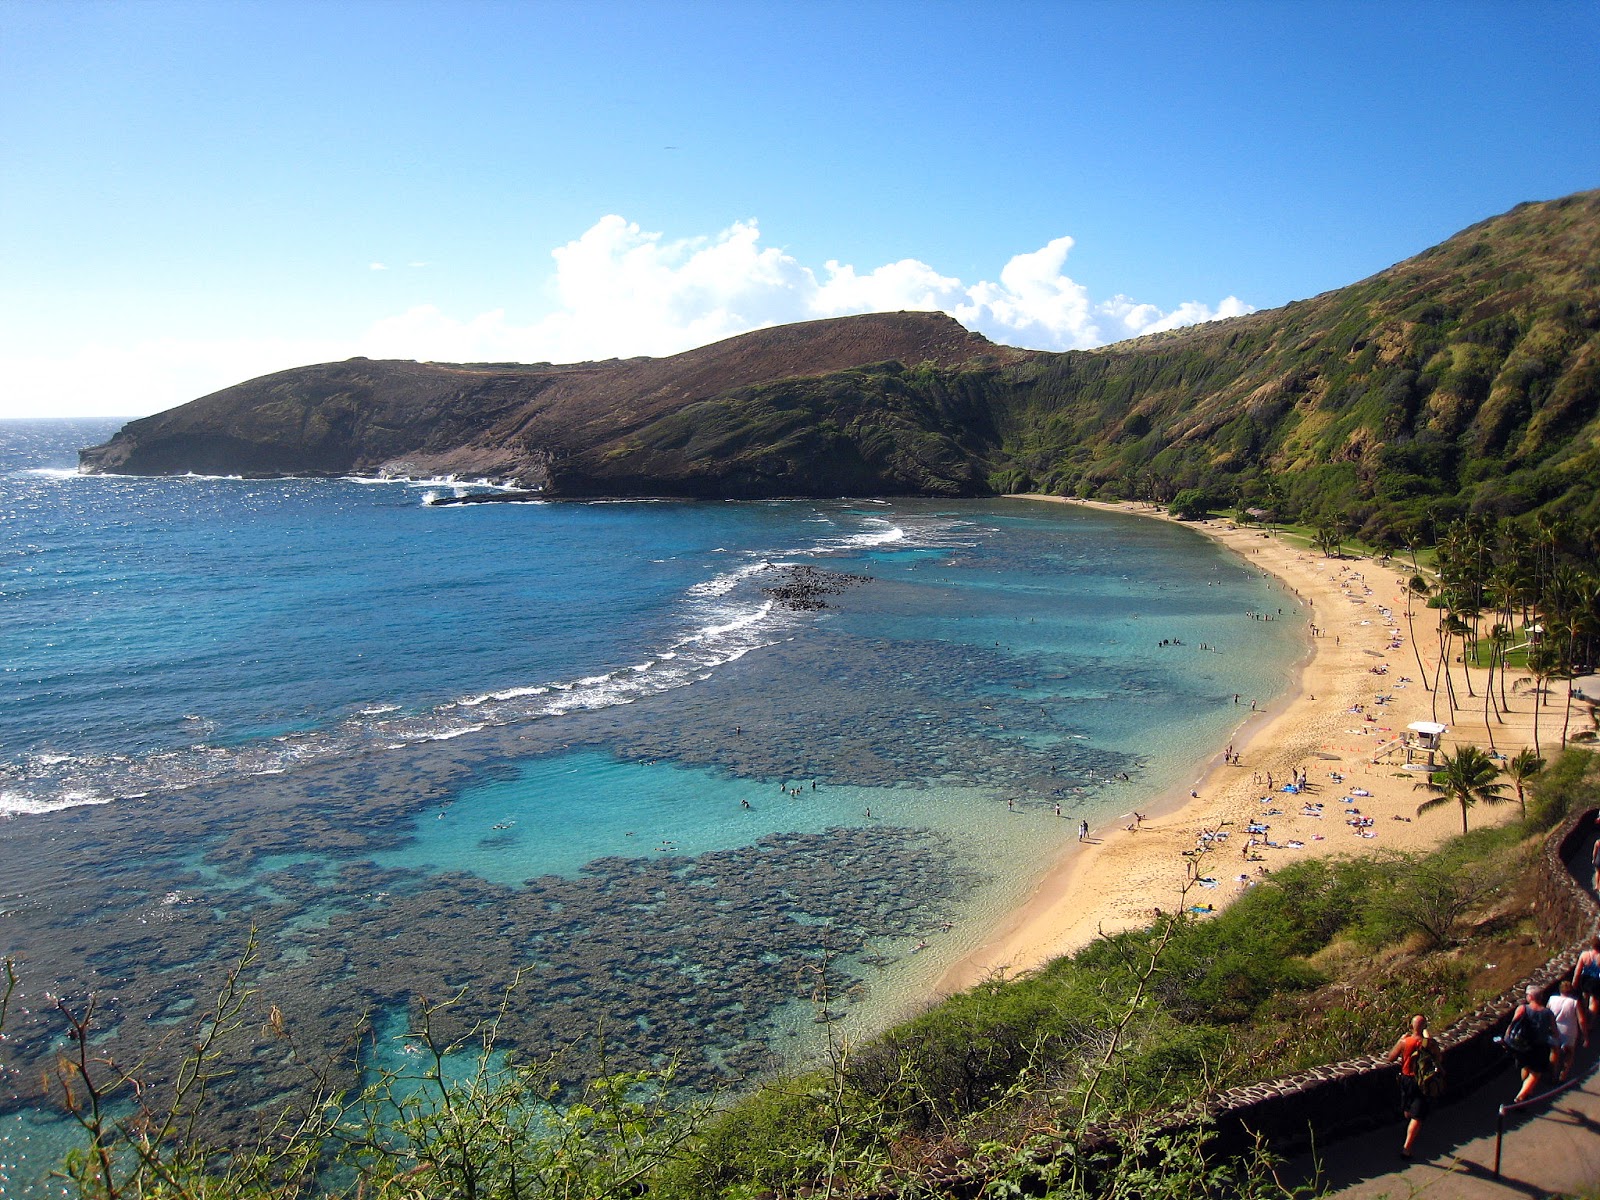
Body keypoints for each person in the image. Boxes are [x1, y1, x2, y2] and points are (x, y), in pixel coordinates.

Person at [1387, 1014, 1434, 1158]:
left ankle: (1406, 1140)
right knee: (1418, 1116)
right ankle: (1406, 1148)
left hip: (1406, 1079)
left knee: (1409, 1108)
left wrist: (1400, 1040)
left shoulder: (1405, 1041)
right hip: (1420, 1080)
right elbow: (1437, 1054)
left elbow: (1391, 1057)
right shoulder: (1427, 1043)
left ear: (1412, 1026)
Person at [1507, 986, 1556, 1103]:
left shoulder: (1522, 1009)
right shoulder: (1547, 1013)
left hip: (1523, 1045)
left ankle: (1525, 1092)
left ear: (1530, 997)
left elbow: (1512, 1025)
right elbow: (1555, 1031)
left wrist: (1508, 1040)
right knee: (1536, 1073)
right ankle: (1521, 1096)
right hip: (1539, 1046)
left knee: (1525, 1067)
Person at [1548, 979, 1581, 1081]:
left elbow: (1547, 1013)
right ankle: (1563, 1074)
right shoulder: (1574, 1002)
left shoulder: (1552, 999)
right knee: (1569, 1053)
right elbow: (1582, 1020)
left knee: (1554, 1052)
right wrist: (1585, 1035)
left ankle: (1553, 1074)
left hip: (1555, 1029)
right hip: (1569, 1030)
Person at [1574, 936, 1600, 1044]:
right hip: (1596, 981)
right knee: (1594, 1003)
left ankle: (1584, 1018)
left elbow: (1578, 970)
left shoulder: (1585, 955)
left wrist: (1574, 982)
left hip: (1585, 980)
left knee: (1585, 999)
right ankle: (1590, 1024)